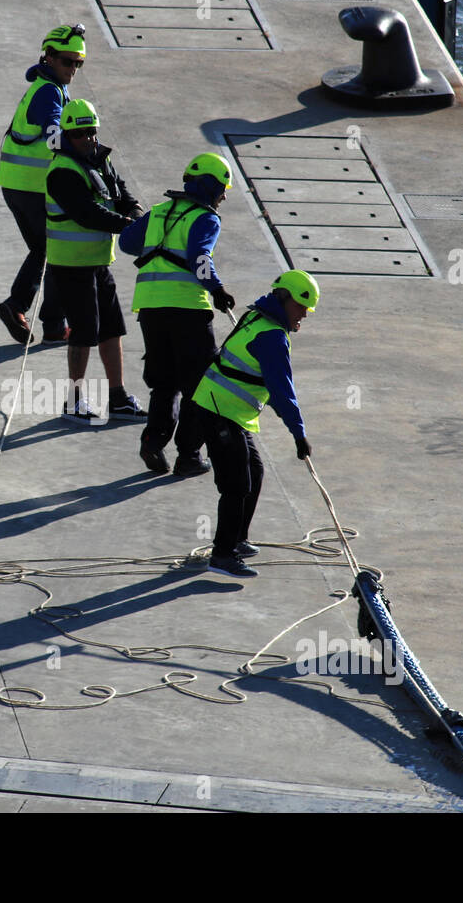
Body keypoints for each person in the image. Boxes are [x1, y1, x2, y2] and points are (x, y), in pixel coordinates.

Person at [191, 270, 319, 577]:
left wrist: (294, 428)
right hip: (219, 410)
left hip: (230, 412)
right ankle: (222, 556)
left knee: (255, 471)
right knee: (237, 485)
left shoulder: (258, 318)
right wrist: (298, 434)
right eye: (301, 307)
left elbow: (267, 384)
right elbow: (281, 390)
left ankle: (237, 539)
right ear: (284, 298)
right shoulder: (272, 336)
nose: (304, 315)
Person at [119, 153, 237, 477]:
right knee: (199, 385)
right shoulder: (207, 219)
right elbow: (200, 258)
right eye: (223, 188)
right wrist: (217, 289)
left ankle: (153, 442)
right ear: (211, 186)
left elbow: (127, 242)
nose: (224, 196)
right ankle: (189, 456)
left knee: (164, 382)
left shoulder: (159, 211)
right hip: (188, 309)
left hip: (150, 308)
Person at [44, 99, 149, 424]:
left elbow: (124, 197)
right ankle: (74, 401)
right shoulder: (62, 171)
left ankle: (117, 399)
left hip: (98, 263)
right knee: (84, 332)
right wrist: (130, 227)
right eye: (80, 133)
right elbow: (87, 214)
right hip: (71, 265)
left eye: (91, 131)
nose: (88, 138)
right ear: (67, 135)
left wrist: (135, 215)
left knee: (112, 329)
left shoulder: (100, 161)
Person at [0, 24, 84, 347]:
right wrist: (81, 158)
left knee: (47, 250)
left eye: (78, 63)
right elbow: (52, 134)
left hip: (15, 184)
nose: (72, 68)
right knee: (51, 248)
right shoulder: (48, 91)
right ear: (48, 57)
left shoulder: (45, 85)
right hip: (31, 186)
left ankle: (52, 324)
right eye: (66, 61)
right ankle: (18, 307)